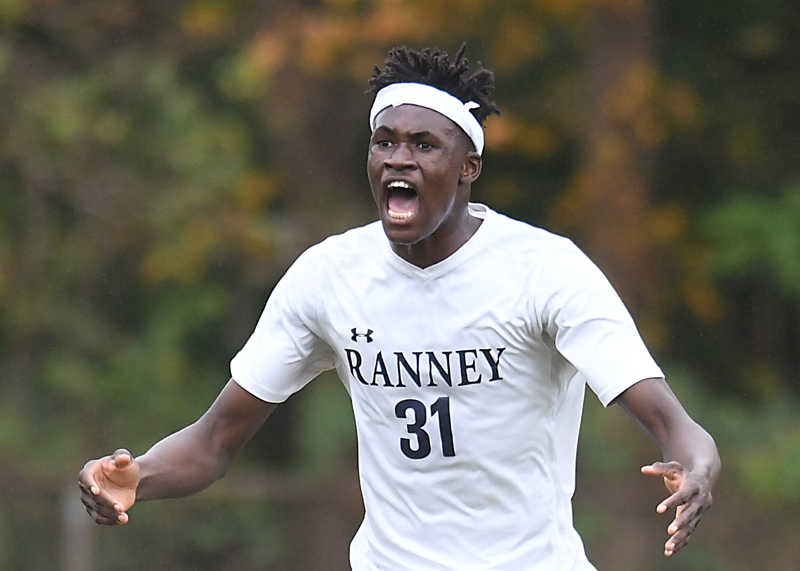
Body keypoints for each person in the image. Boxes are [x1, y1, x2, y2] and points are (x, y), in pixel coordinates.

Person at [79, 45, 720, 570]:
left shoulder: (544, 271)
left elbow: (669, 419)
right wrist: (138, 478)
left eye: (423, 145)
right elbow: (216, 439)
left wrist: (697, 462)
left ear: (468, 166)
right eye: (384, 142)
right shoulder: (329, 277)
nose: (398, 159)